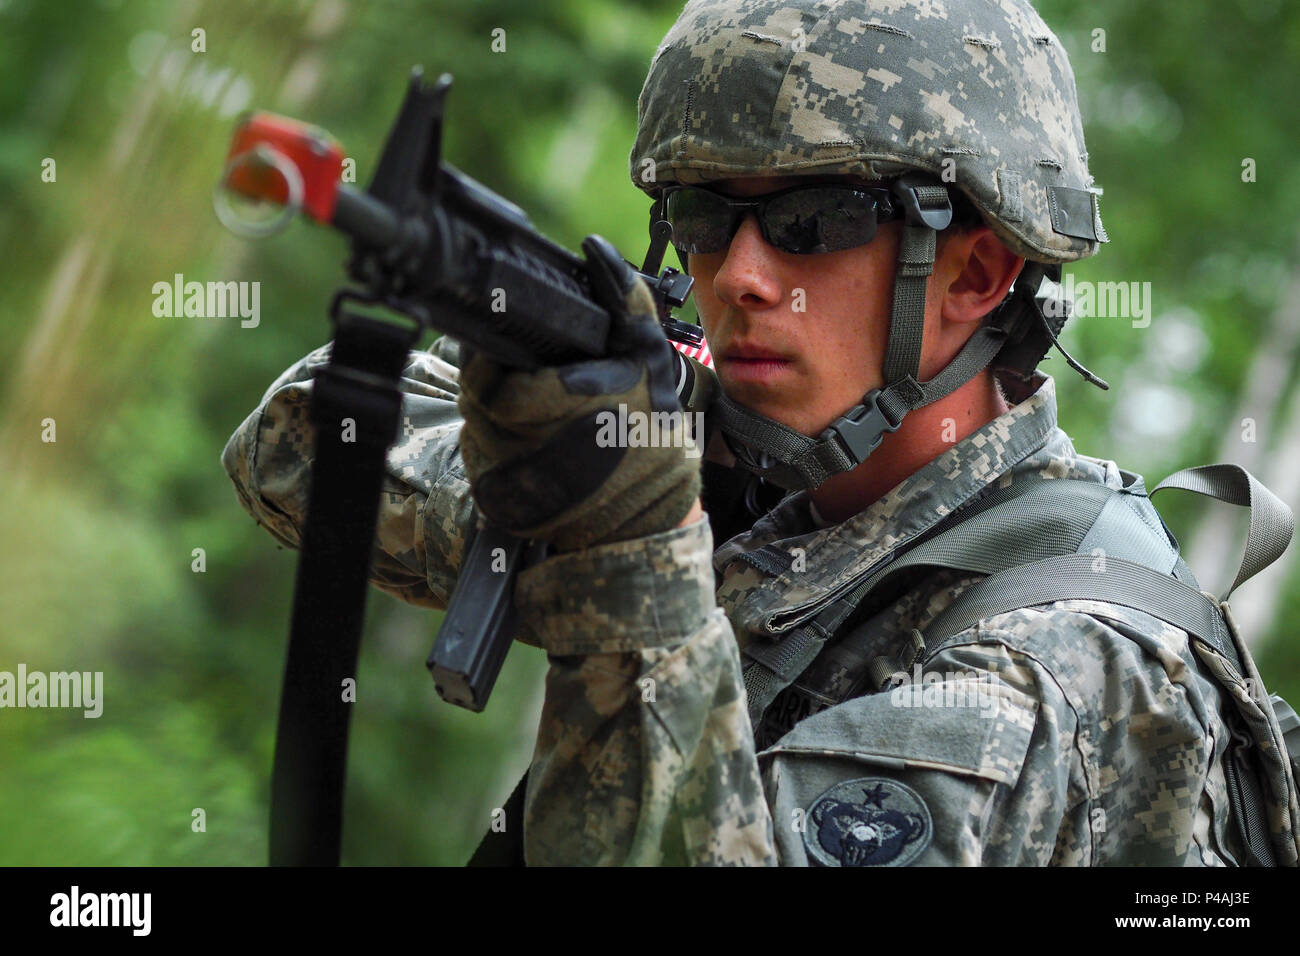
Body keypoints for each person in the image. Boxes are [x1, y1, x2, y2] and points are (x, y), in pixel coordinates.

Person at [223, 0, 1258, 865]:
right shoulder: (756, 486)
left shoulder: (1066, 662)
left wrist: (632, 543)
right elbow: (293, 450)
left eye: (816, 218)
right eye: (706, 215)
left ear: (976, 274)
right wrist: (585, 453)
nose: (743, 276)